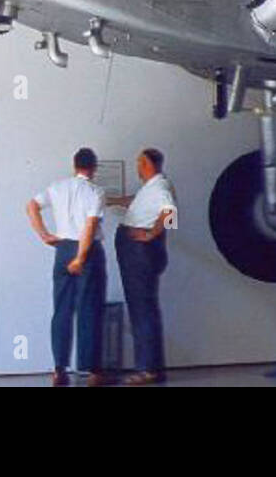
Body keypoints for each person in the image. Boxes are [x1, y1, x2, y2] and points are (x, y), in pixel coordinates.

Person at [26, 147, 108, 386]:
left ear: (74, 165)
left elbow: (31, 205)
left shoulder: (57, 187)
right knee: (89, 308)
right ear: (94, 168)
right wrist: (80, 258)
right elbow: (90, 226)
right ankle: (91, 371)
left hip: (62, 249)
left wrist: (44, 234)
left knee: (61, 309)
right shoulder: (96, 192)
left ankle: (59, 369)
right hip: (87, 253)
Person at [112, 147, 177, 385]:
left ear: (148, 164)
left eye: (140, 162)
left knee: (142, 310)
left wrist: (150, 234)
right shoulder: (150, 188)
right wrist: (112, 201)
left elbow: (169, 214)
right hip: (138, 252)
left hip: (140, 254)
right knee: (144, 308)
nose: (137, 167)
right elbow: (136, 201)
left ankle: (147, 370)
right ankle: (152, 368)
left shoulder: (160, 187)